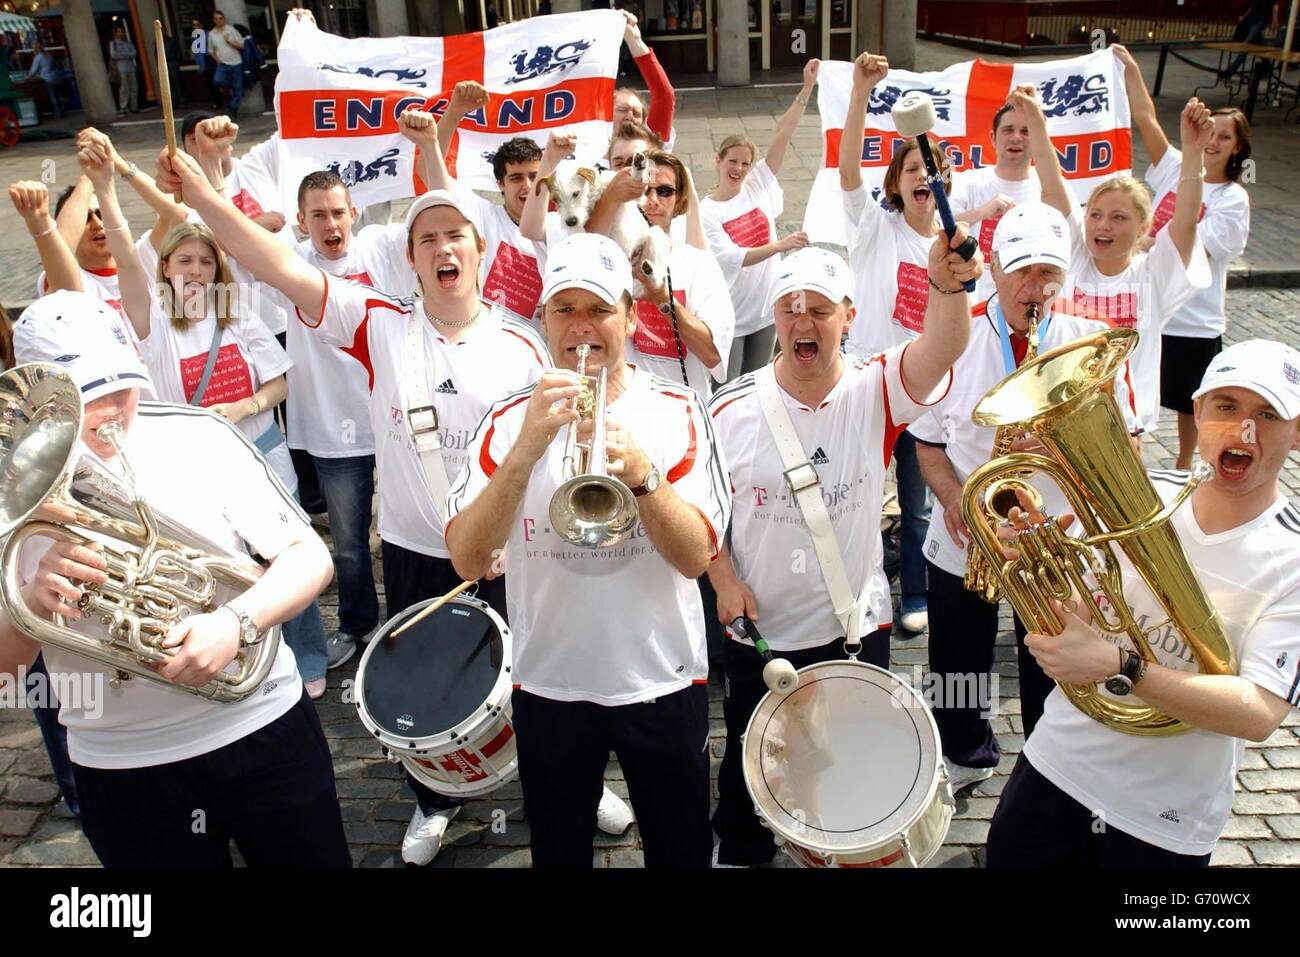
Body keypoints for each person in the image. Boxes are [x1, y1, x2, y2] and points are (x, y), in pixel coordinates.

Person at [154, 132, 634, 865]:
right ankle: (435, 801)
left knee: (536, 680)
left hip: (515, 552)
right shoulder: (376, 323)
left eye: (456, 236)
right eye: (427, 238)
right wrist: (204, 198)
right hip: (416, 550)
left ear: (480, 252)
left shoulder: (525, 343)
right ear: (411, 258)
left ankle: (565, 787)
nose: (444, 248)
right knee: (426, 683)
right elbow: (276, 264)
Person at [1, 290, 346, 867]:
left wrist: (238, 621)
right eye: (88, 395)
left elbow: (310, 558)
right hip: (121, 765)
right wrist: (28, 605)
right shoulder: (9, 490)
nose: (113, 408)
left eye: (122, 384)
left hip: (261, 727)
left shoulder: (196, 435)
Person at [444, 232, 732, 868]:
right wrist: (524, 452)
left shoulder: (680, 409)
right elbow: (467, 560)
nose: (582, 327)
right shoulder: (505, 419)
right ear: (541, 319)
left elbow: (695, 559)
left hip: (661, 679)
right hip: (550, 682)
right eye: (564, 309)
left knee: (680, 849)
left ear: (630, 315)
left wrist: (645, 479)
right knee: (558, 852)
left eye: (599, 309)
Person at [707, 229, 978, 865]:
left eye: (821, 309)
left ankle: (836, 841)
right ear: (774, 315)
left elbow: (943, 346)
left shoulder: (876, 387)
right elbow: (706, 514)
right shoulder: (728, 408)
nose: (805, 321)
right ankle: (743, 846)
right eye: (791, 307)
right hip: (762, 631)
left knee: (850, 753)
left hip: (853, 624)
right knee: (754, 756)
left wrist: (945, 286)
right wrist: (722, 579)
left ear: (849, 317)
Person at [987, 338, 1300, 867]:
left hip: (1163, 818)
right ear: (1197, 413)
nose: (1244, 429)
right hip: (1059, 766)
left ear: (1297, 433)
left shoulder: (1291, 556)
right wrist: (1043, 569)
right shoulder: (1138, 493)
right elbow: (1080, 620)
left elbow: (1260, 713)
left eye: (1267, 414)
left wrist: (1121, 667)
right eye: (1227, 406)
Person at [80, 139, 333, 701]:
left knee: (285, 554)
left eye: (204, 261)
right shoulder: (150, 327)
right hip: (192, 471)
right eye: (183, 261)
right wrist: (105, 186)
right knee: (221, 565)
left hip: (263, 456)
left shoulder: (236, 315)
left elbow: (281, 382)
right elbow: (124, 255)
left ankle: (308, 655)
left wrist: (242, 408)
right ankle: (233, 653)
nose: (194, 271)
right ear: (165, 269)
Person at [909, 200, 1139, 795]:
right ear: (996, 271)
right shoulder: (950, 342)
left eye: (1047, 273)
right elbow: (927, 447)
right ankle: (963, 751)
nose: (1034, 288)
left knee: (1055, 665)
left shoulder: (1088, 344)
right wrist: (957, 500)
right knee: (957, 663)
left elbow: (1127, 445)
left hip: (1057, 542)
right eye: (1021, 272)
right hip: (967, 538)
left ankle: (1051, 764)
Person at [838, 50, 950, 637]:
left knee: (918, 502)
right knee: (855, 496)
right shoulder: (875, 228)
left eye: (931, 174)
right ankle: (853, 587)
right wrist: (860, 92)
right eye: (911, 172)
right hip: (868, 385)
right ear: (897, 184)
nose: (922, 181)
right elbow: (848, 171)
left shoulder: (955, 245)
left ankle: (915, 591)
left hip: (925, 394)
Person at [1025, 84, 1211, 435]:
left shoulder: (1155, 273)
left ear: (1143, 229)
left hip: (1126, 427)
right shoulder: (1076, 256)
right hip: (1065, 417)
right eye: (1095, 215)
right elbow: (1052, 186)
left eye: (1118, 218)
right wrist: (1035, 120)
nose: (1103, 225)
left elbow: (1185, 222)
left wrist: (1194, 152)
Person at [281, 167, 410, 665]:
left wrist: (430, 137)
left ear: (354, 213)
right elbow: (232, 238)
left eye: (338, 212)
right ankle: (358, 625)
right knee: (351, 546)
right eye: (318, 215)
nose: (331, 224)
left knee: (405, 533)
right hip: (332, 432)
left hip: (394, 419)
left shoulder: (379, 248)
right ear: (301, 220)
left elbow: (442, 201)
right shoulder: (289, 263)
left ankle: (408, 619)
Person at [1115, 45, 1253, 471]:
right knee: (1138, 386)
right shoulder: (1177, 165)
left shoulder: (1233, 199)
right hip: (1153, 306)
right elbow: (1146, 119)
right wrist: (1130, 69)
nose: (1213, 143)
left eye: (1224, 137)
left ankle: (1186, 462)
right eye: (1210, 133)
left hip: (1195, 318)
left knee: (1193, 401)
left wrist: (1134, 242)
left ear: (1237, 148)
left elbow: (1188, 243)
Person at [702, 59, 817, 380]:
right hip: (733, 316)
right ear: (718, 161)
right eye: (732, 162)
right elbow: (734, 258)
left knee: (758, 383)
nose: (738, 169)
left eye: (745, 163)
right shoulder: (708, 211)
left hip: (766, 310)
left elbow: (784, 132)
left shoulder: (757, 186)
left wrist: (806, 88)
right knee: (728, 384)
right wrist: (780, 245)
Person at [951, 95, 1042, 302]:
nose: (1016, 137)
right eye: (1008, 130)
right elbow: (934, 229)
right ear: (993, 137)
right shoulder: (969, 182)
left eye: (1026, 131)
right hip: (972, 309)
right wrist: (983, 212)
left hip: (1028, 305)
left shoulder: (1049, 188)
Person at [615, 10, 677, 147]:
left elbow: (664, 96)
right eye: (622, 110)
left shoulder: (651, 145)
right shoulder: (591, 147)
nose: (630, 116)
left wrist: (634, 40)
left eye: (637, 114)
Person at [208, 11, 246, 116]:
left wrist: (230, 41)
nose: (219, 20)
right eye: (216, 18)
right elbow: (210, 50)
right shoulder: (212, 34)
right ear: (214, 20)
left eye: (220, 18)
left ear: (224, 19)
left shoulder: (232, 30)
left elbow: (242, 46)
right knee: (217, 81)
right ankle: (228, 86)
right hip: (223, 64)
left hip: (236, 62)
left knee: (238, 89)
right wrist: (217, 59)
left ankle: (233, 110)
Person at [24, 40, 63, 119]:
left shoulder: (38, 57)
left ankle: (58, 114)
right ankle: (61, 112)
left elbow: (34, 70)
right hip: (56, 77)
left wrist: (28, 76)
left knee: (53, 97)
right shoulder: (48, 55)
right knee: (58, 96)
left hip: (47, 78)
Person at [108, 25, 138, 115]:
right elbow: (114, 55)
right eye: (119, 31)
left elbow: (133, 53)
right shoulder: (113, 44)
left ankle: (134, 106)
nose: (121, 33)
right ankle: (123, 107)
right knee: (124, 88)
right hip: (120, 68)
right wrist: (127, 55)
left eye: (122, 31)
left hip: (130, 67)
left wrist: (122, 54)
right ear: (115, 33)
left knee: (134, 87)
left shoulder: (128, 43)